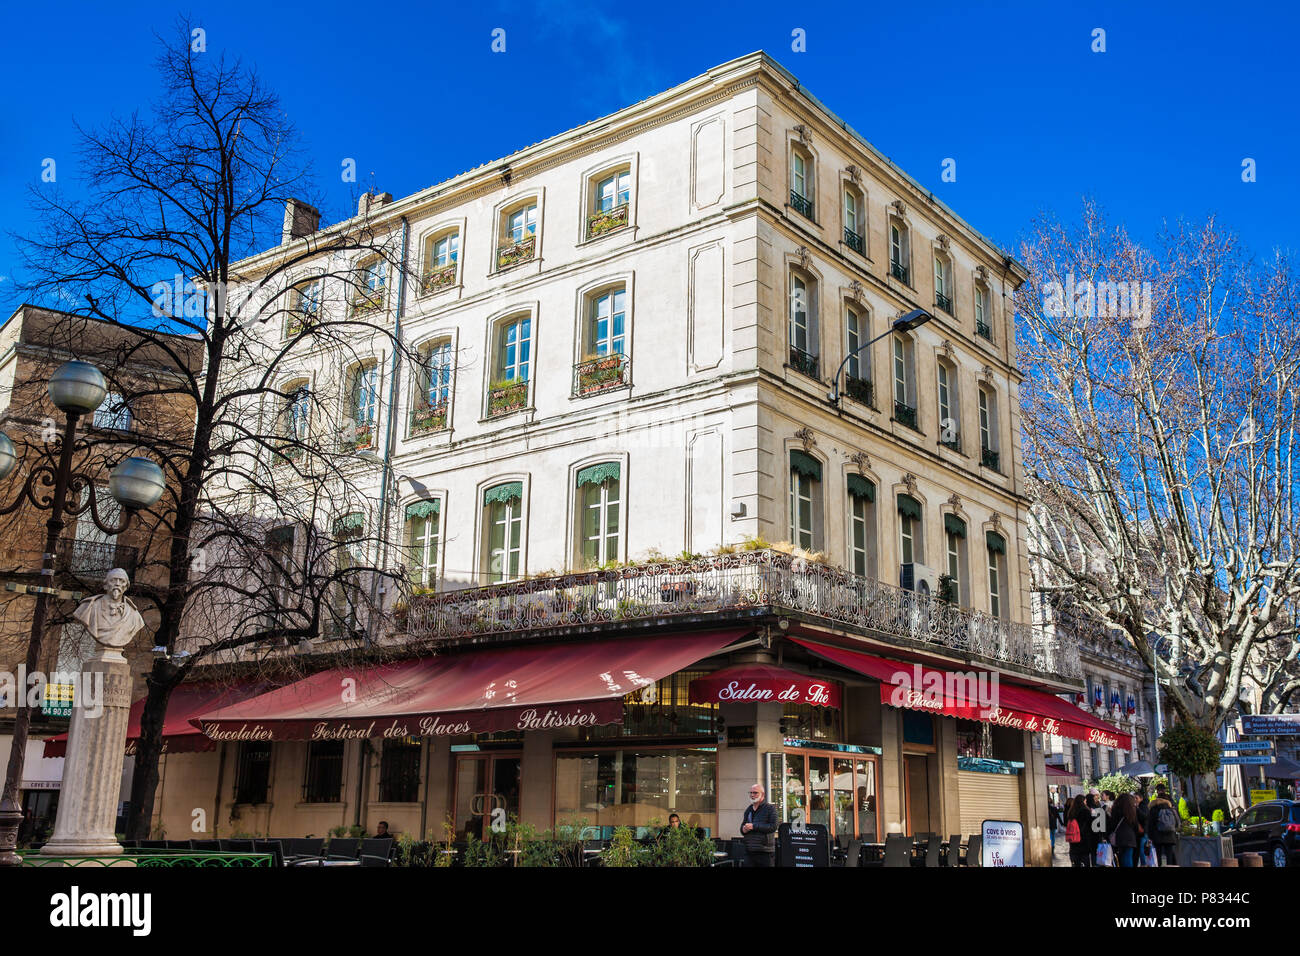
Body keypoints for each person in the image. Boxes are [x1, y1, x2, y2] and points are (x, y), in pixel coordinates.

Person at [740, 783, 778, 867]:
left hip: (765, 852)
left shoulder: (770, 809)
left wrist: (754, 826)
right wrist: (743, 829)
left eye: (755, 793)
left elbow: (773, 826)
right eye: (750, 793)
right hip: (749, 851)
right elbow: (742, 828)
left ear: (762, 795)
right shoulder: (748, 810)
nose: (752, 795)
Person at [1111, 794, 1142, 867]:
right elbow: (1136, 824)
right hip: (1130, 836)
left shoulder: (1115, 810)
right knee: (1128, 856)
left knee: (1120, 857)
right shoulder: (1131, 811)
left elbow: (1112, 823)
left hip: (1119, 836)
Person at [1147, 795, 1180, 866]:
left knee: (1158, 856)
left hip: (1157, 836)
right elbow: (1177, 823)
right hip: (1170, 836)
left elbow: (1150, 824)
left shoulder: (1154, 809)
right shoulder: (1171, 809)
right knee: (1169, 855)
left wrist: (1150, 836)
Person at [1065, 795, 1092, 867]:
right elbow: (1090, 825)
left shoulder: (1071, 811)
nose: (1086, 803)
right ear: (1082, 801)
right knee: (1085, 860)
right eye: (1085, 801)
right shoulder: (1085, 811)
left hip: (1073, 839)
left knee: (1076, 861)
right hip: (1083, 839)